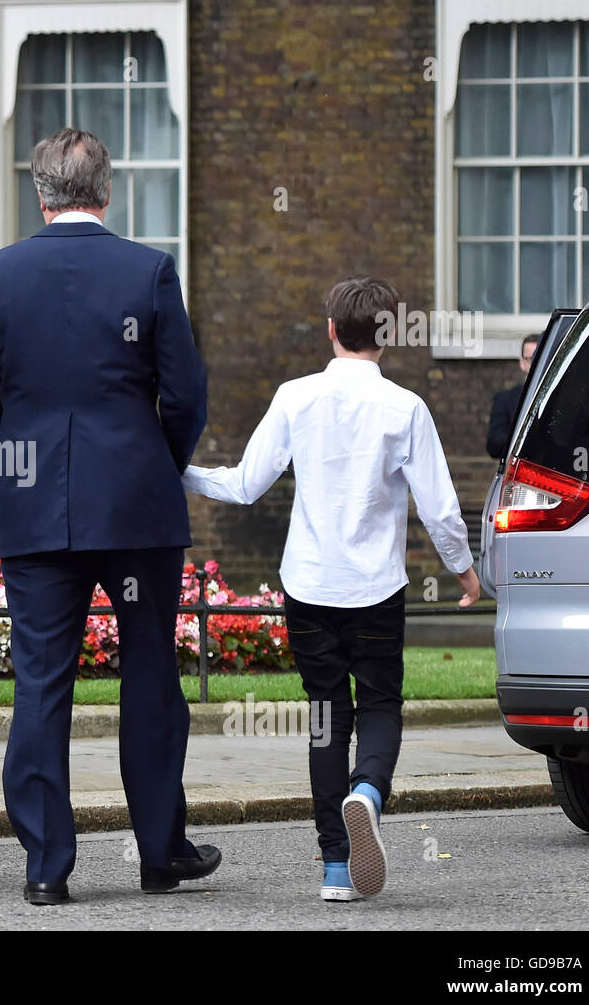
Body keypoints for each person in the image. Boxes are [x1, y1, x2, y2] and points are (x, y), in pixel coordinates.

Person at [0, 128, 216, 906]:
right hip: (135, 506)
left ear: (40, 193)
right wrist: (151, 457)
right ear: (107, 190)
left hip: (37, 511)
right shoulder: (149, 269)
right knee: (152, 681)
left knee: (40, 683)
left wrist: (22, 451)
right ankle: (161, 850)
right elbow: (187, 393)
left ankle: (45, 863)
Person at [183, 276, 481, 902]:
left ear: (330, 331)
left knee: (324, 716)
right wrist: (463, 570)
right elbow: (441, 508)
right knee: (378, 704)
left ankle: (336, 868)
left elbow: (243, 485)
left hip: (310, 585)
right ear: (390, 335)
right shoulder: (405, 408)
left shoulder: (295, 398)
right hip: (376, 586)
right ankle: (368, 791)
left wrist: (177, 471)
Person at [485, 335, 537, 459]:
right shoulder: (505, 399)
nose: (535, 364)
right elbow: (493, 446)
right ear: (522, 363)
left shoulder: (558, 399)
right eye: (530, 359)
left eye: (539, 358)